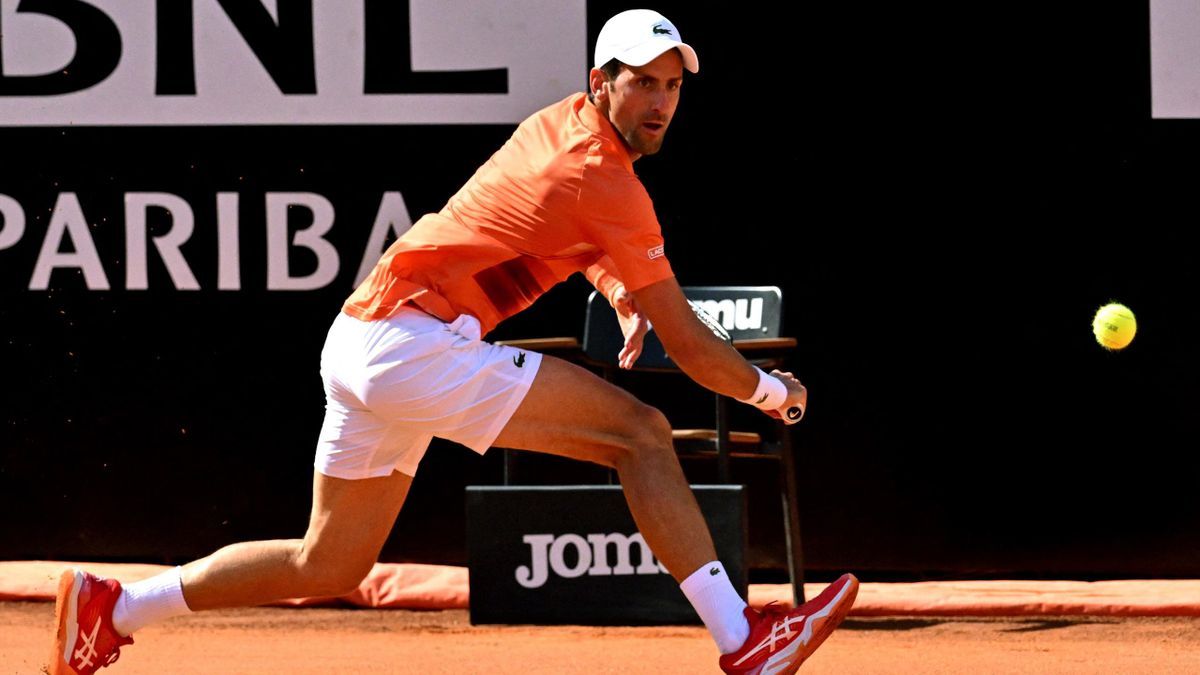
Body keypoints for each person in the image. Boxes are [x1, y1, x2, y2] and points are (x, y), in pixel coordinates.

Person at [48, 9, 857, 674]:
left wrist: (616, 290)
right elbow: (687, 344)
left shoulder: (563, 127)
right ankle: (743, 637)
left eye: (673, 85)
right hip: (414, 345)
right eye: (642, 81)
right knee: (640, 436)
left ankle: (113, 607)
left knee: (327, 564)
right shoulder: (605, 180)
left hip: (362, 337)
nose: (660, 101)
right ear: (600, 82)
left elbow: (559, 235)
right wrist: (771, 392)